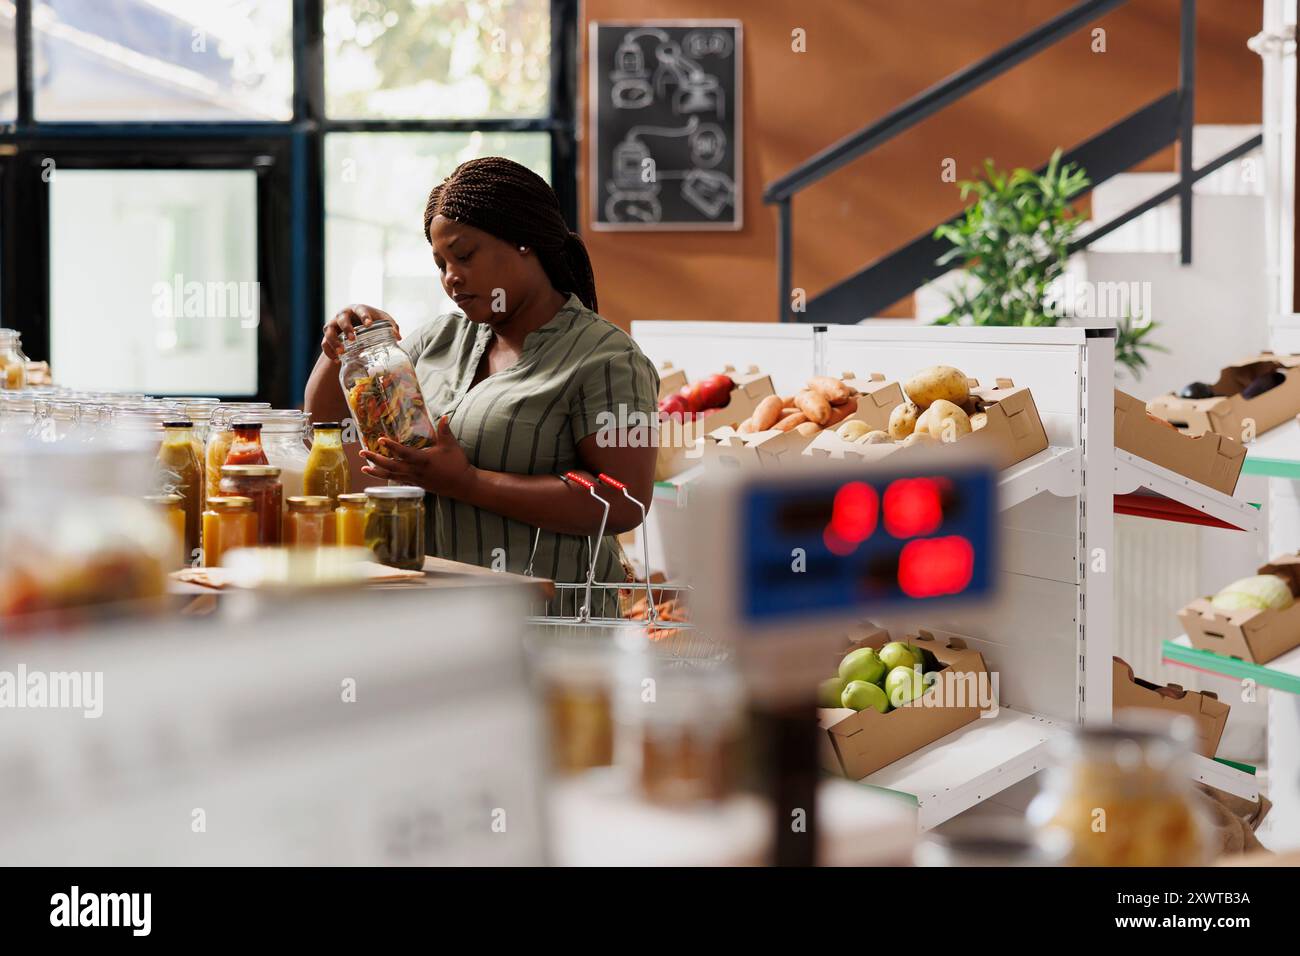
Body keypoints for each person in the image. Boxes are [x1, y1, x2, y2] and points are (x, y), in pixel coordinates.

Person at [305, 157, 660, 603]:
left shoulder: (607, 358)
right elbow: (333, 447)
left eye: (464, 255)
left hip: (549, 627)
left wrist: (467, 483)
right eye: (440, 263)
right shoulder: (436, 341)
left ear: (524, 241)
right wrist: (340, 352)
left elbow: (625, 501)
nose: (451, 278)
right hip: (429, 623)